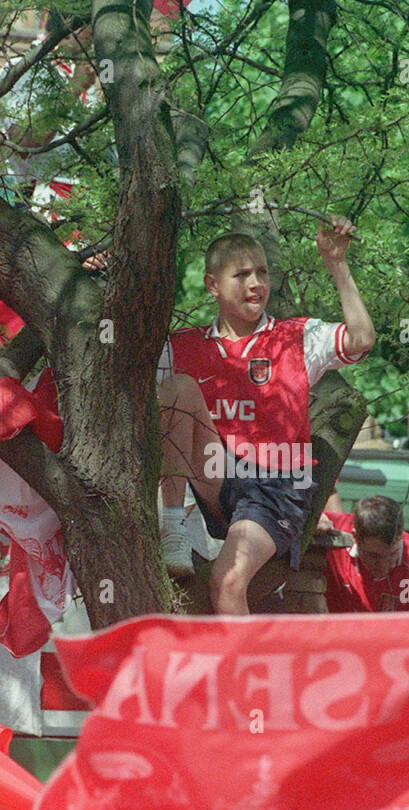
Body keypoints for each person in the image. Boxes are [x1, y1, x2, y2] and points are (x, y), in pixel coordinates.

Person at [158, 216, 374, 613]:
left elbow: (360, 340)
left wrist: (337, 264)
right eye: (241, 274)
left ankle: (242, 675)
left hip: (276, 487)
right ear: (212, 285)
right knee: (175, 390)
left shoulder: (297, 336)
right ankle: (170, 526)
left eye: (262, 272)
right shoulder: (181, 347)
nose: (256, 283)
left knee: (227, 582)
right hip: (217, 475)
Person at [319, 495, 409, 612]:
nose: (384, 565)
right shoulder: (331, 534)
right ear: (355, 537)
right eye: (374, 556)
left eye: (392, 554)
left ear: (401, 536)